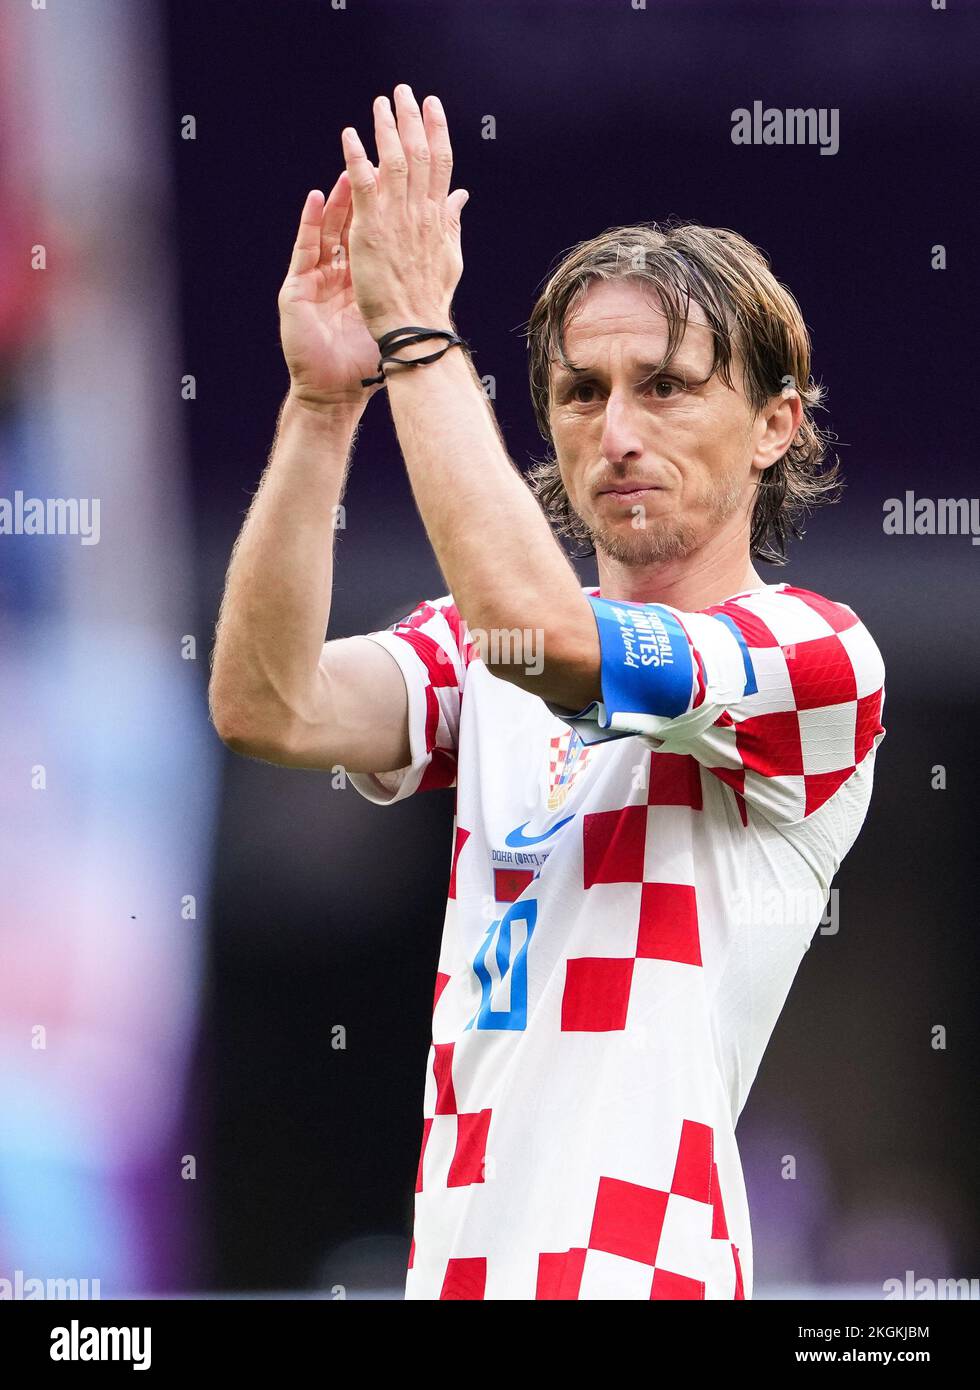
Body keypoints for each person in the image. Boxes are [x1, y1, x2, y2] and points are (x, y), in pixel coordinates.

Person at [209, 84, 885, 1300]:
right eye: (580, 392)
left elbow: (549, 640)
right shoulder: (485, 660)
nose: (614, 429)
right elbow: (270, 704)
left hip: (641, 1276)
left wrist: (417, 328)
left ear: (776, 424)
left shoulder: (813, 657)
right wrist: (321, 408)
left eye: (665, 385)